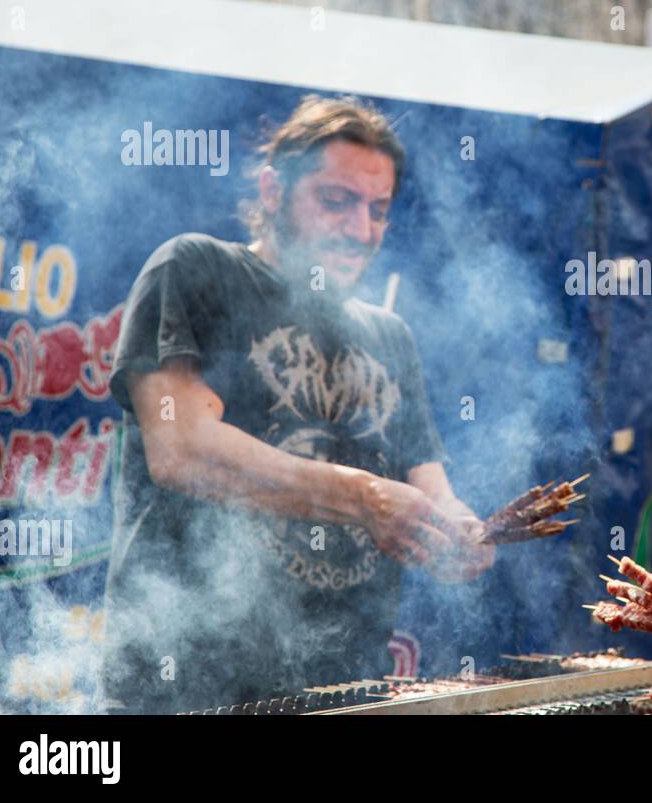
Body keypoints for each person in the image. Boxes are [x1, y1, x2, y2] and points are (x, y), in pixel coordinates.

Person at [100, 95, 493, 713]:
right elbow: (182, 450)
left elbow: (430, 486)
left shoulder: (391, 337)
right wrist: (365, 498)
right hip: (183, 692)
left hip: (345, 695)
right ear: (273, 191)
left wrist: (461, 530)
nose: (360, 230)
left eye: (378, 210)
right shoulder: (194, 268)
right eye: (335, 201)